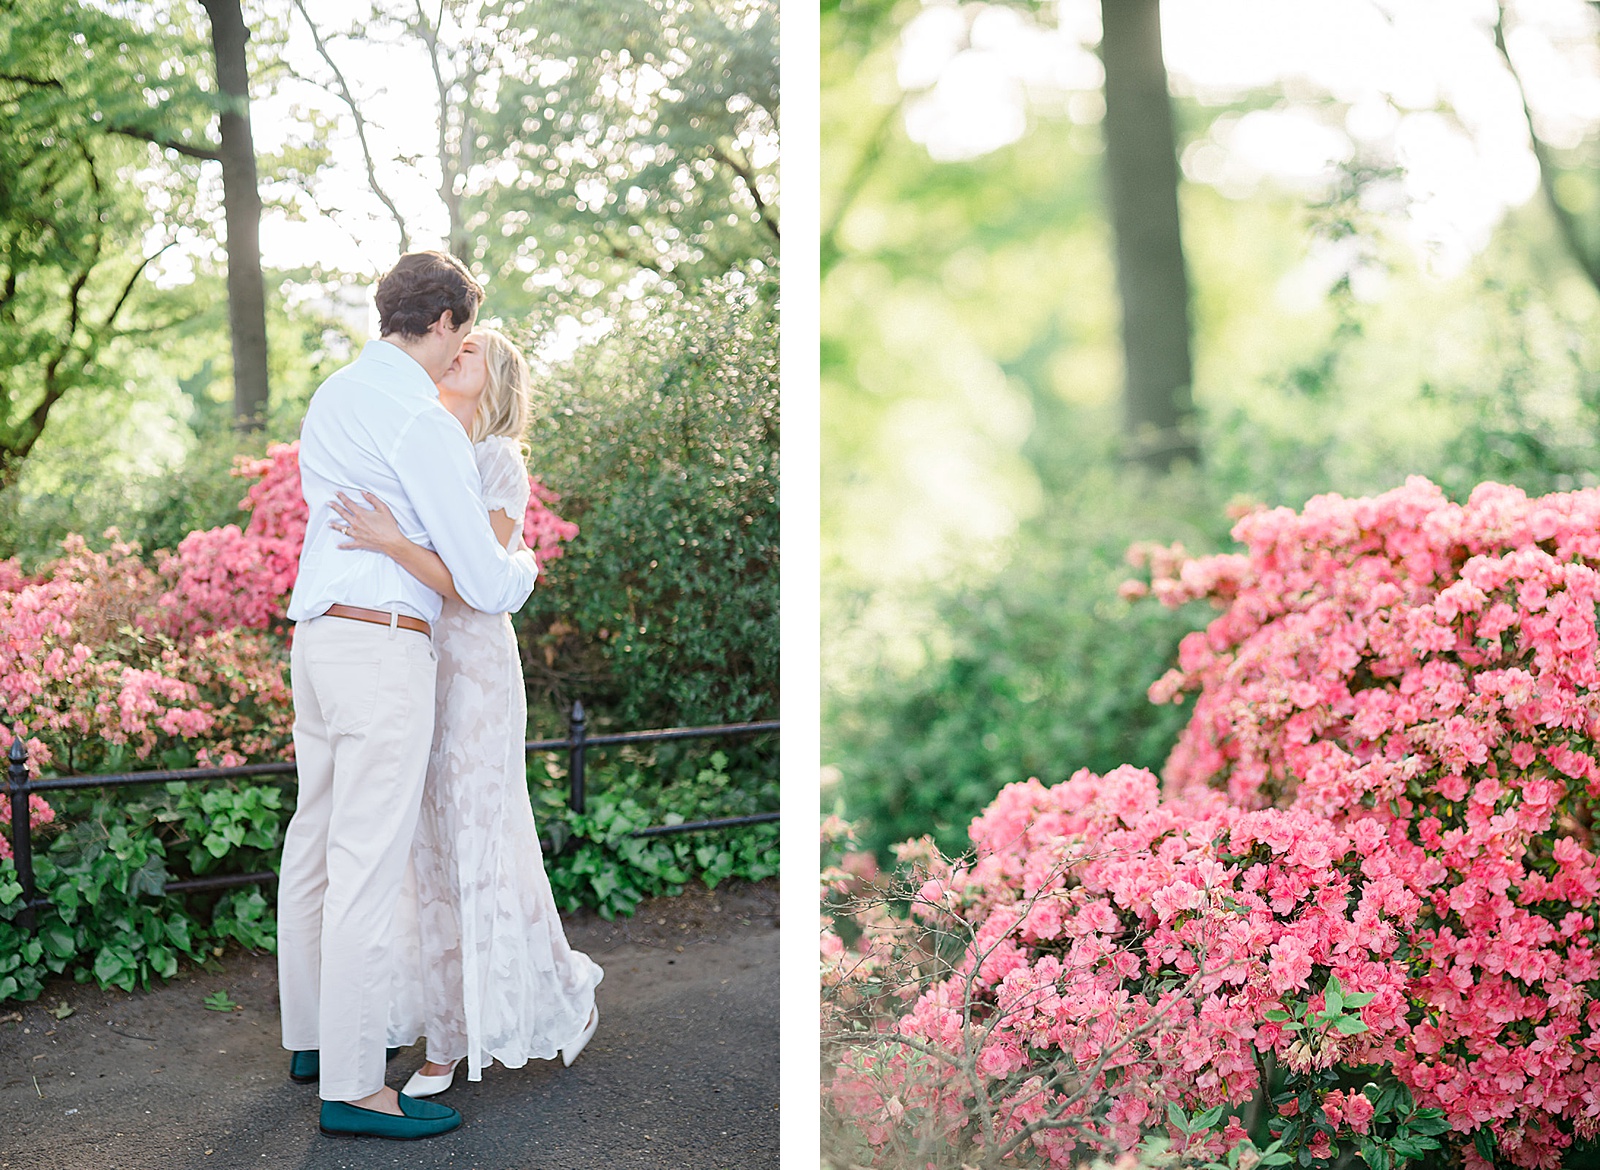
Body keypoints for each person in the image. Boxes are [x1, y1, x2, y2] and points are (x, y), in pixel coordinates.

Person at [278, 253, 540, 1141]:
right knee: (366, 861)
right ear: (442, 322)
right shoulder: (419, 424)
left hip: (314, 640)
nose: (465, 341)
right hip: (383, 643)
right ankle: (353, 1088)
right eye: (463, 326)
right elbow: (482, 580)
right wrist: (525, 564)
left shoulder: (334, 396)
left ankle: (313, 1035)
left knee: (313, 838)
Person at [328, 327, 603, 1097]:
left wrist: (388, 541)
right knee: (427, 844)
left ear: (496, 379)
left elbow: (473, 582)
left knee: (479, 836)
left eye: (474, 349)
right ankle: (476, 1008)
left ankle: (454, 1041)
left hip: (473, 662)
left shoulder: (495, 459)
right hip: (413, 655)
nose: (456, 351)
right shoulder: (425, 443)